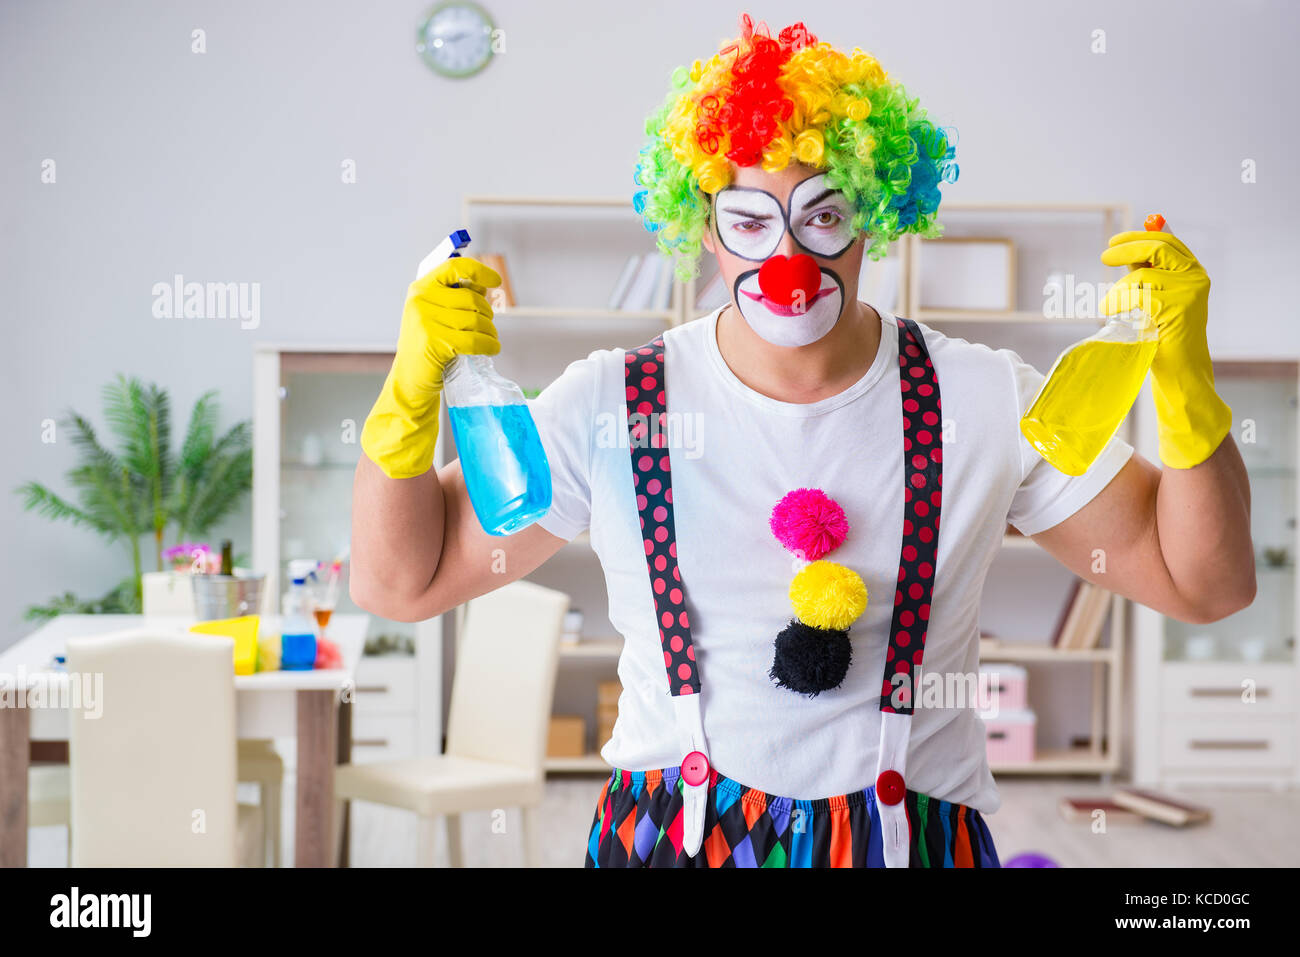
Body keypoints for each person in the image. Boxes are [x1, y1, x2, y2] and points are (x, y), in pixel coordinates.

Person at [351, 13, 1254, 868]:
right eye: (749, 221)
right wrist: (405, 401)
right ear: (704, 228)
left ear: (875, 217)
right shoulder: (614, 402)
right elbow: (401, 583)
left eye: (823, 216)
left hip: (915, 837)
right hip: (667, 834)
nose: (787, 261)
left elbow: (1203, 584)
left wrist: (1186, 393)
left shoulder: (979, 397)